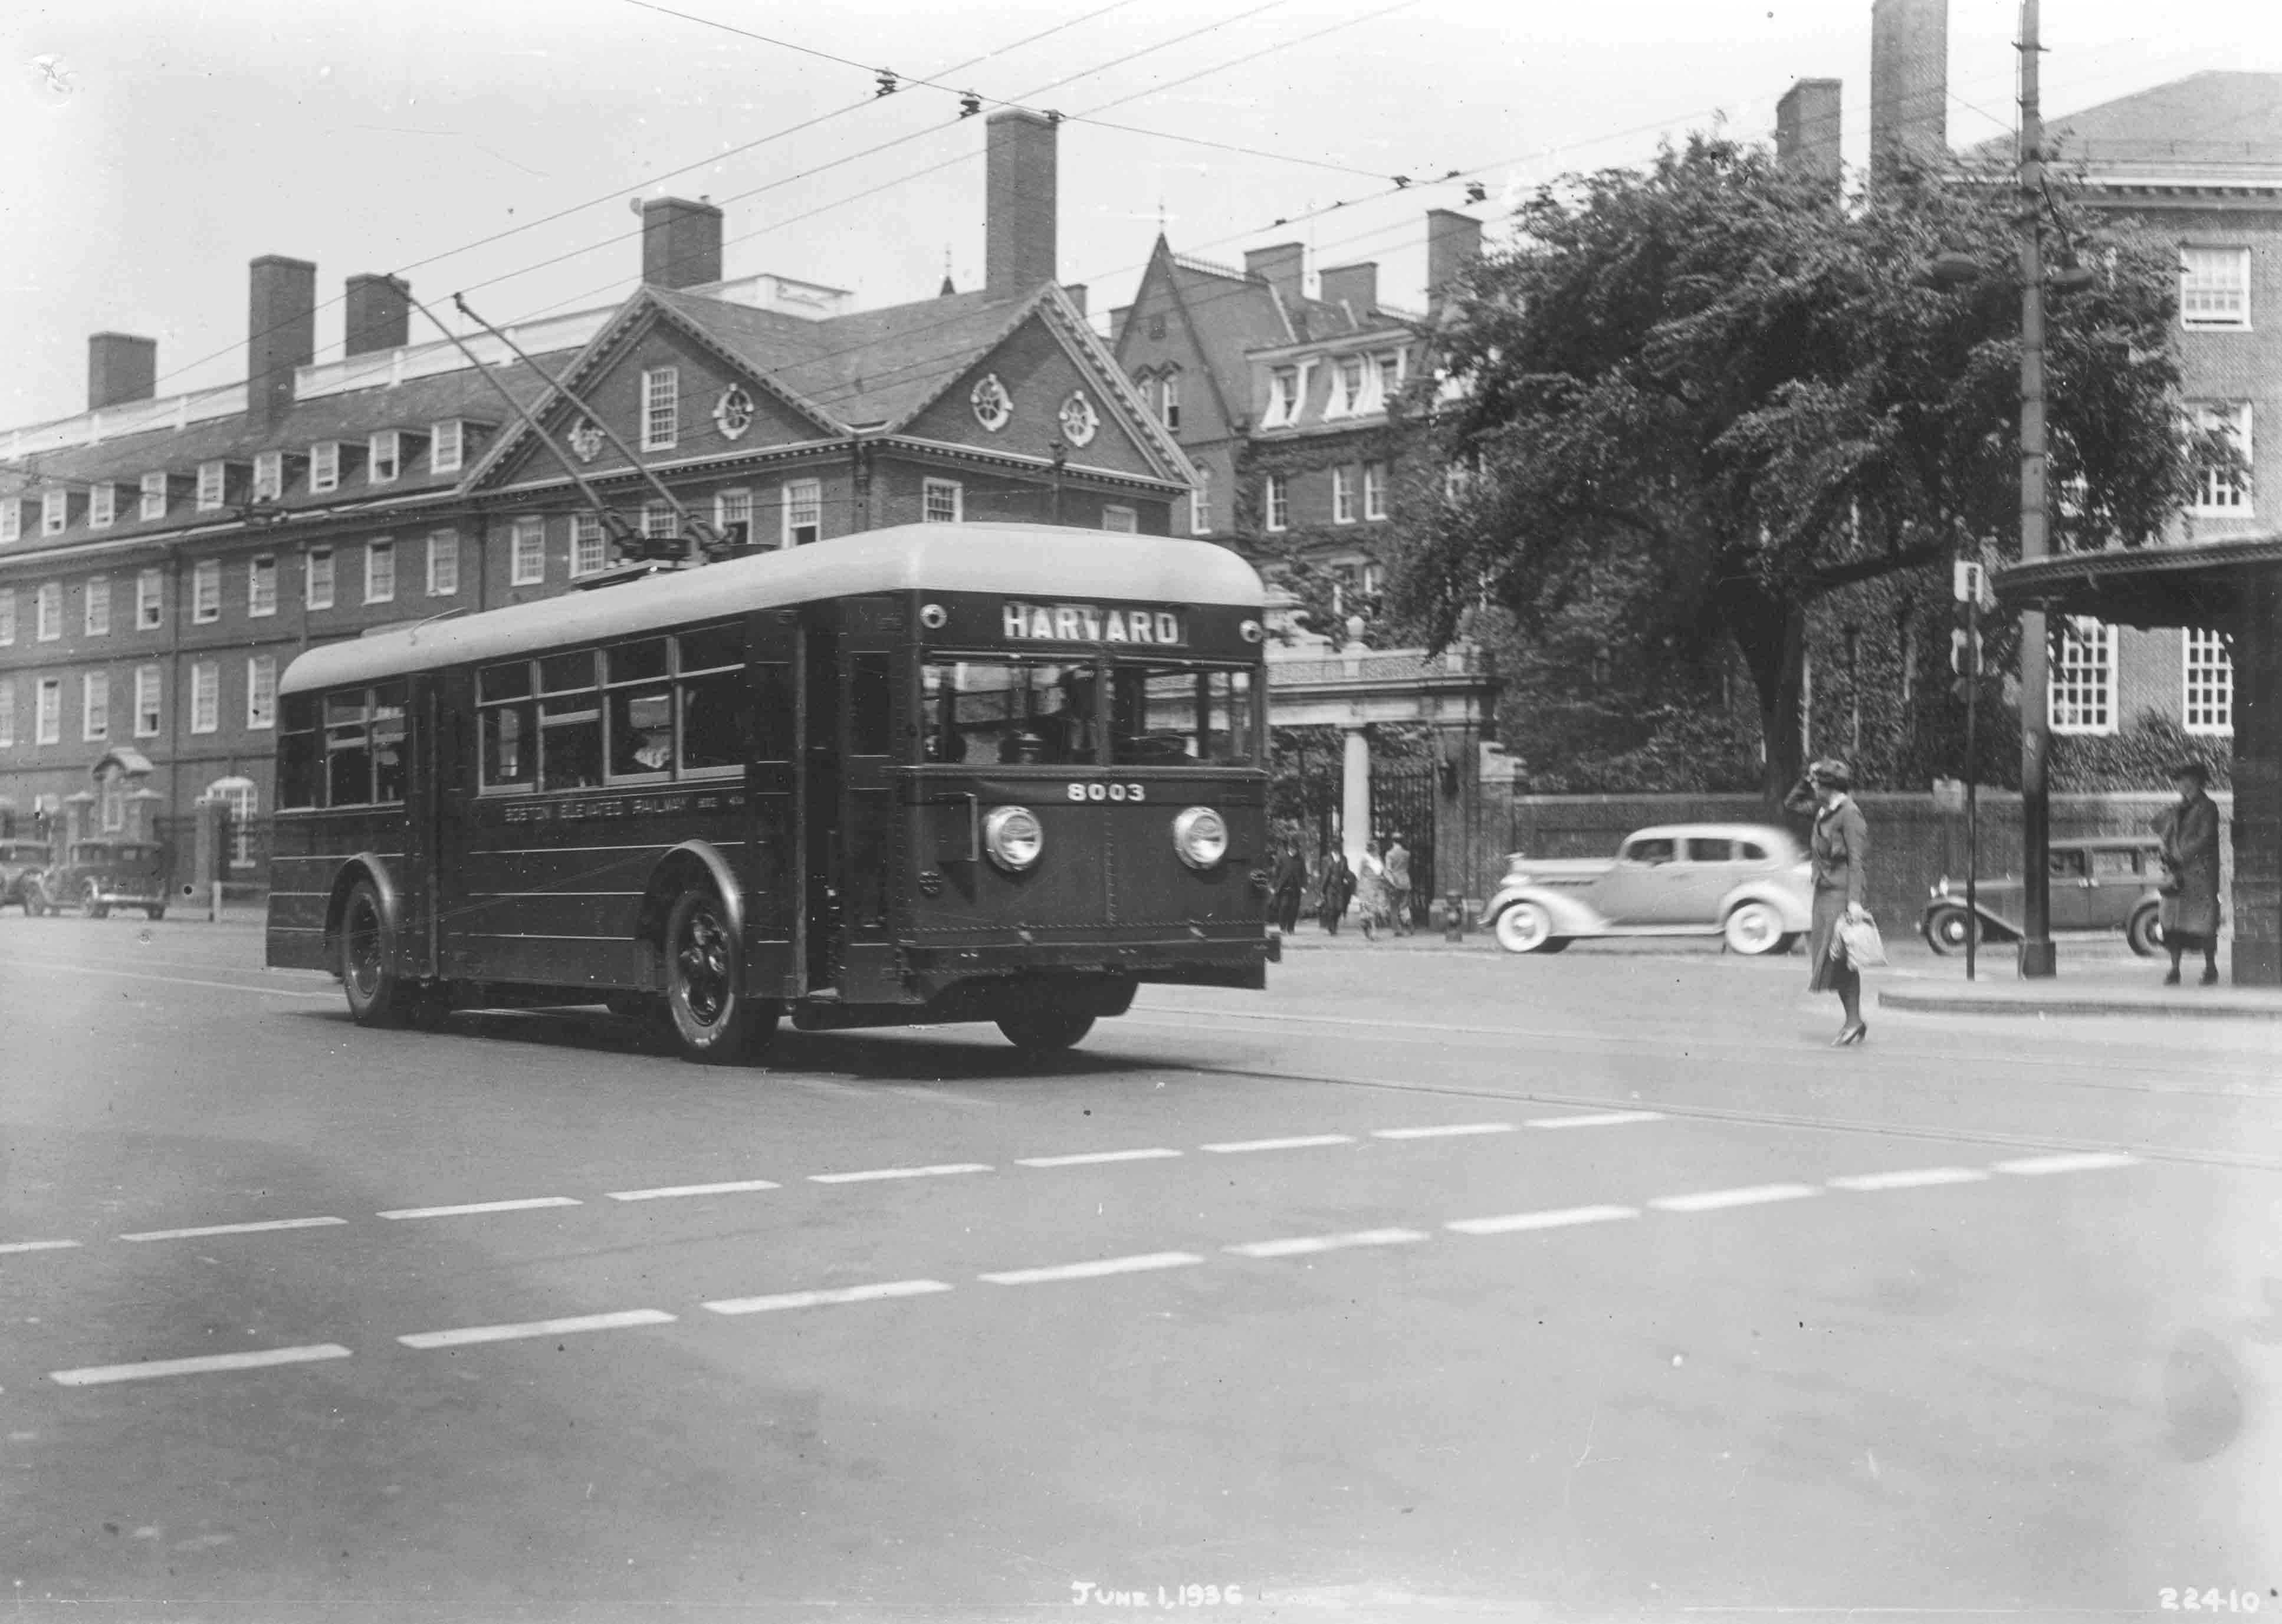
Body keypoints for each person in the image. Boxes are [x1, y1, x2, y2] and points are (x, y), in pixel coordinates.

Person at [1787, 758, 1870, 1047]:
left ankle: (1854, 1020)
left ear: (1829, 787)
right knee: (1833, 959)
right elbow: (1792, 804)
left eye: (1817, 784)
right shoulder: (1825, 809)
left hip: (1841, 893)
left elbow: (1857, 860)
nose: (1813, 789)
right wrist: (1805, 777)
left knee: (1841, 959)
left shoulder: (1850, 813)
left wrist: (1855, 902)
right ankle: (1853, 1020)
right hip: (1824, 891)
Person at [2153, 759, 2222, 987]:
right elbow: (2163, 830)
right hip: (2177, 876)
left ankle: (2210, 968)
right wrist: (2165, 848)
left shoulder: (2208, 807)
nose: (2179, 785)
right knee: (2171, 923)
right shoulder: (2178, 808)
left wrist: (2180, 855)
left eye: (2182, 780)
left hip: (2200, 877)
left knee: (2203, 924)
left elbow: (2205, 838)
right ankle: (2174, 969)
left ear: (2194, 782)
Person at [1355, 839, 1390, 942]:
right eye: (1377, 848)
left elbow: (1383, 872)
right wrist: (1359, 889)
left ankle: (1371, 929)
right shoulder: (1365, 860)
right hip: (1367, 888)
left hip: (1378, 887)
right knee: (1370, 911)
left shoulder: (1379, 859)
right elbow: (1361, 874)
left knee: (1376, 911)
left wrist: (1387, 879)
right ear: (1372, 849)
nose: (1378, 850)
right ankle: (1372, 930)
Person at [1271, 840, 1309, 934]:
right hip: (1284, 888)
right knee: (1283, 907)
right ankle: (1283, 926)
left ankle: (1291, 928)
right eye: (1293, 849)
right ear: (1289, 849)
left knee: (1294, 909)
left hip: (1296, 888)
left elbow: (1304, 873)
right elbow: (1276, 873)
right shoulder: (1282, 858)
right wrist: (1274, 886)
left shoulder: (1300, 859)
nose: (1295, 851)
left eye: (1296, 849)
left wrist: (1304, 886)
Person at [1318, 848, 1355, 935]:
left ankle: (1335, 923)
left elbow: (1346, 871)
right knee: (1331, 908)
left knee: (1339, 908)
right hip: (1330, 887)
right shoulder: (1326, 859)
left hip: (1340, 887)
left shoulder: (1344, 859)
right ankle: (1332, 927)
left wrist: (1348, 879)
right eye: (1335, 850)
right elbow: (1324, 875)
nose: (1336, 852)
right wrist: (1322, 890)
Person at [1383, 834, 1413, 936]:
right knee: (1404, 905)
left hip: (1395, 882)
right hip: (1405, 881)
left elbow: (1388, 869)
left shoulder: (1390, 854)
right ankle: (1410, 925)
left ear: (1393, 841)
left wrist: (1390, 882)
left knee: (1394, 907)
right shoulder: (1407, 854)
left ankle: (1397, 930)